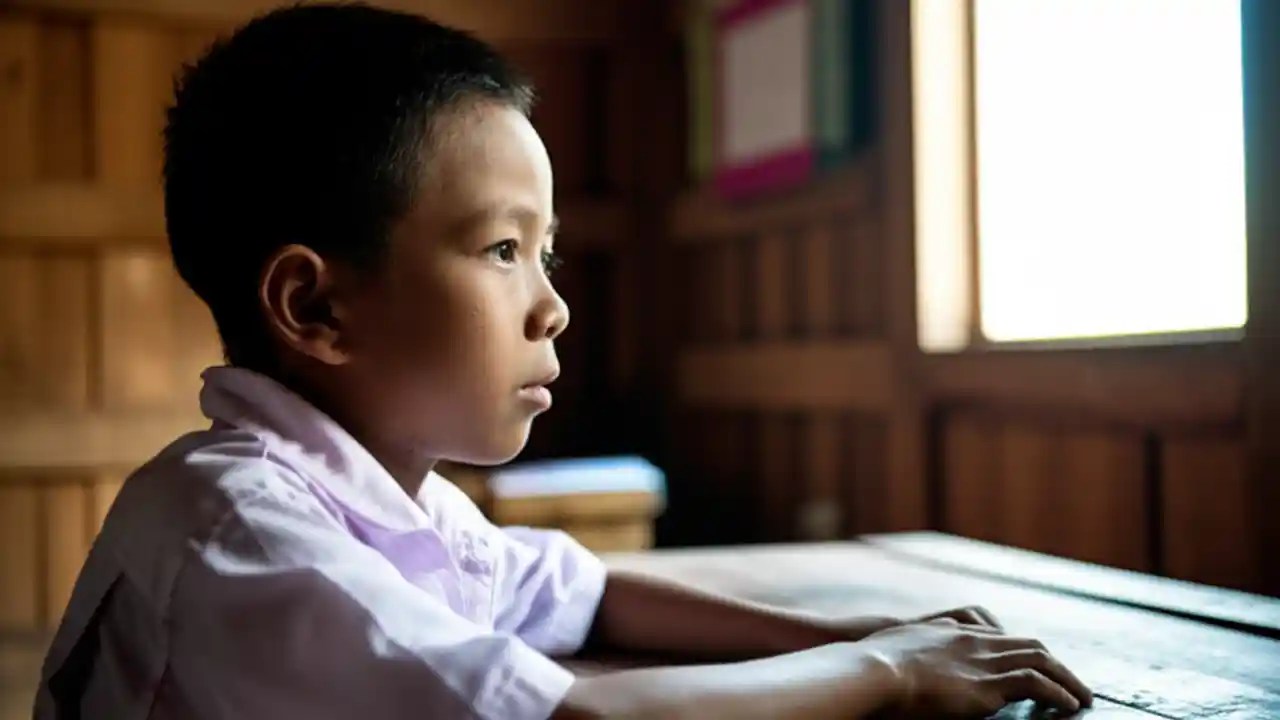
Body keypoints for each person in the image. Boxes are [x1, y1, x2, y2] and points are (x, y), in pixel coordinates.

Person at [34, 4, 1093, 718]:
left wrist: (854, 629)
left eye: (545, 254)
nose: (554, 306)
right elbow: (579, 717)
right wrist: (886, 670)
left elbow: (588, 598)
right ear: (315, 307)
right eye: (502, 251)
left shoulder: (393, 495)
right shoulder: (238, 529)